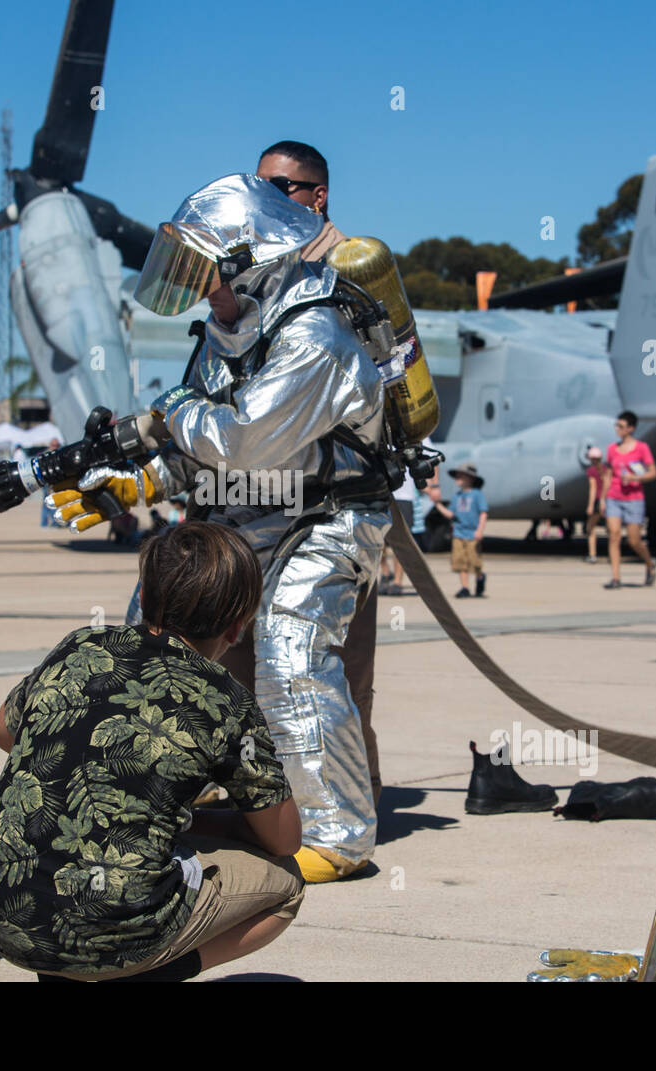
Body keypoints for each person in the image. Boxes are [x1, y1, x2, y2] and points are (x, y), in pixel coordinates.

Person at [52, 174, 388, 883]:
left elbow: (241, 441)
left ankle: (338, 835)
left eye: (211, 277)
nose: (205, 293)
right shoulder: (227, 335)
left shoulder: (314, 337)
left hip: (329, 516)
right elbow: (204, 455)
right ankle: (156, 794)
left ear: (254, 266)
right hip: (245, 510)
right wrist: (136, 481)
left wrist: (166, 414)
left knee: (290, 640)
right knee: (156, 625)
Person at [0, 522, 304, 981]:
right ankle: (146, 973)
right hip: (110, 921)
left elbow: (3, 730)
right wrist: (213, 820)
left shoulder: (82, 645)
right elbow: (285, 838)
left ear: (148, 594)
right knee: (287, 884)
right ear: (238, 625)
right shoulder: (226, 700)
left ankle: (67, 970)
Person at [252, 141, 382, 813]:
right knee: (265, 663)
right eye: (259, 183)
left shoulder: (346, 272)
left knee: (334, 666)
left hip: (339, 502)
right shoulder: (267, 270)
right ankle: (276, 803)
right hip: (268, 502)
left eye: (280, 185)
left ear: (316, 195)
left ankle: (352, 809)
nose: (264, 194)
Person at [603, 410, 656, 589]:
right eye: (617, 425)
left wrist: (636, 478)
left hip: (634, 498)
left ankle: (649, 564)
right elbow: (608, 474)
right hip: (614, 497)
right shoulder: (612, 449)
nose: (617, 429)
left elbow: (653, 472)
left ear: (631, 429)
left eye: (621, 426)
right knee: (614, 535)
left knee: (634, 540)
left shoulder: (641, 448)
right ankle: (616, 578)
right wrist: (603, 498)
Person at [435, 464, 488, 598]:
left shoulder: (477, 495)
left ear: (470, 478)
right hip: (458, 533)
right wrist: (437, 505)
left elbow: (483, 513)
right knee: (460, 561)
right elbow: (451, 514)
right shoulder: (457, 496)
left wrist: (480, 530)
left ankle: (480, 577)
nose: (457, 478)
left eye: (461, 475)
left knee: (475, 562)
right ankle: (465, 588)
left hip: (472, 533)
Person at [584, 446, 608, 562]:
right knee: (611, 530)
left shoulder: (591, 471)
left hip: (598, 502)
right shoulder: (606, 469)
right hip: (610, 501)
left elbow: (593, 489)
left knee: (590, 528)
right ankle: (612, 555)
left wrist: (590, 505)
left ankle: (592, 555)